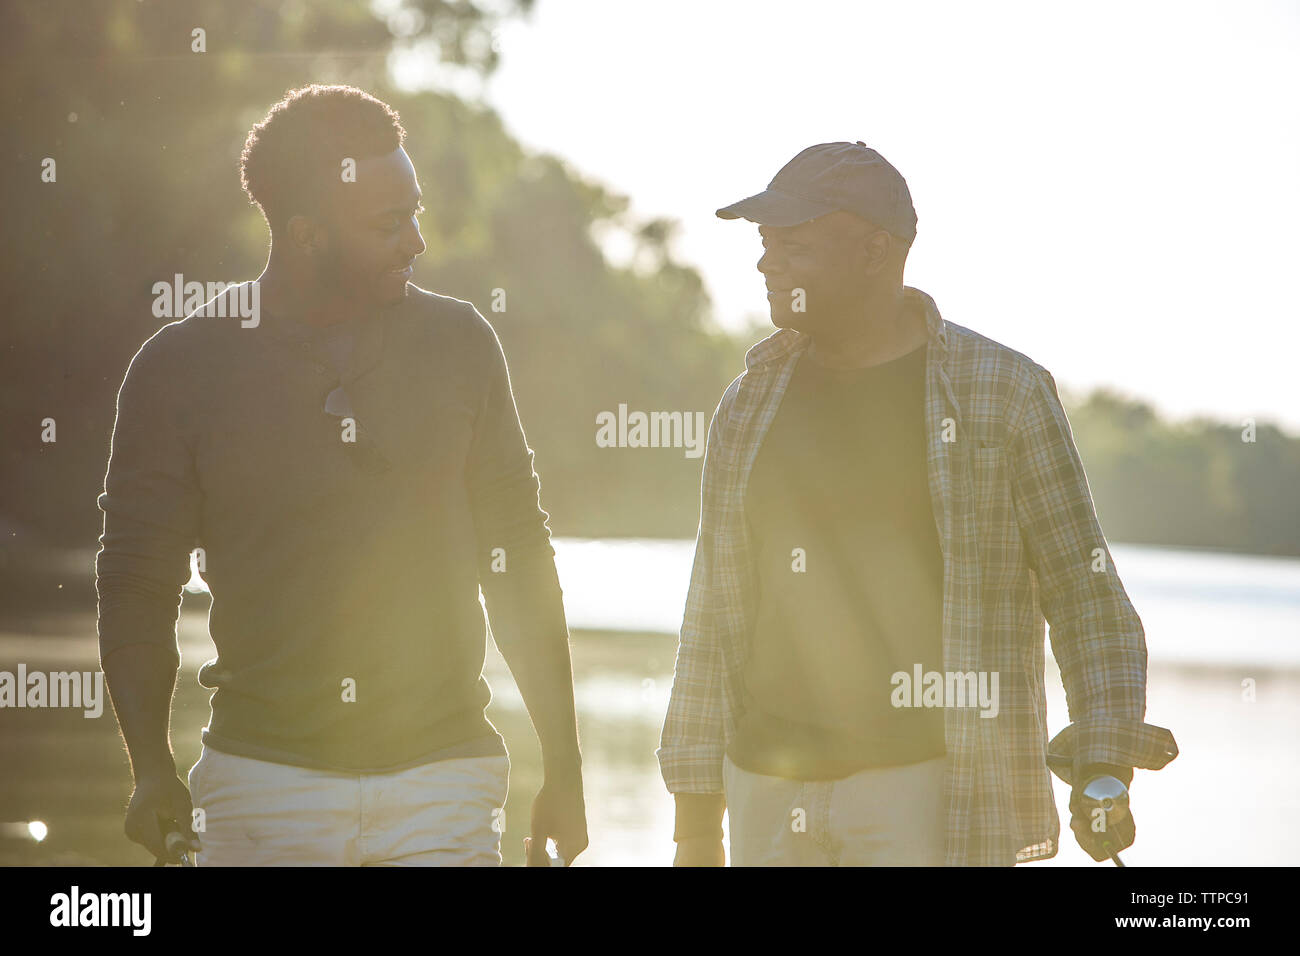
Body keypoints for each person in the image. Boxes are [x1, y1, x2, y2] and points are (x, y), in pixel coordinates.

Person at [96, 84, 587, 866]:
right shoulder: (179, 371)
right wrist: (150, 769)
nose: (417, 241)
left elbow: (520, 556)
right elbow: (136, 585)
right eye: (390, 225)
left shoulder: (461, 346)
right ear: (306, 236)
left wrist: (565, 767)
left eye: (416, 212)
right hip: (261, 792)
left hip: (444, 785)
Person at [659, 142, 1176, 866]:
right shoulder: (746, 405)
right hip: (765, 792)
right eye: (766, 245)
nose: (766, 264)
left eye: (795, 246)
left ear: (875, 252)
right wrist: (693, 827)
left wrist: (1102, 771)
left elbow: (1085, 595)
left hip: (933, 794)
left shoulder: (1004, 393)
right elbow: (710, 616)